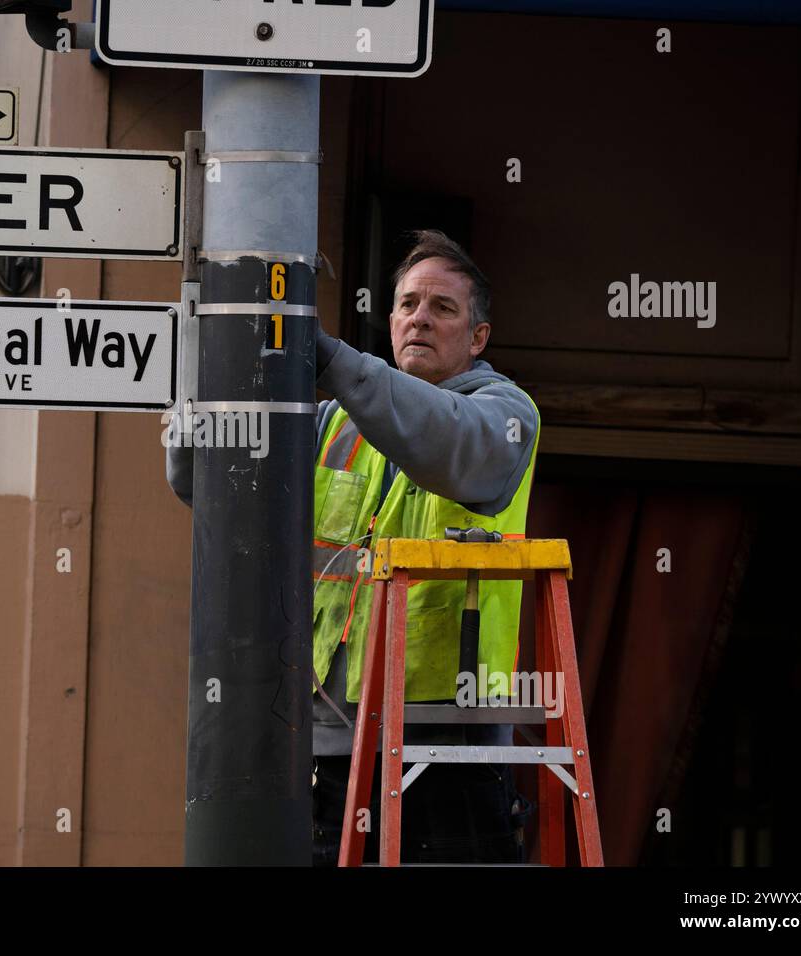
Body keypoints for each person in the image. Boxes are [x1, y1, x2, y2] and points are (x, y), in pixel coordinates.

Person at [166, 230, 539, 864]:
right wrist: (208, 366)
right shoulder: (333, 422)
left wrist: (332, 360)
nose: (419, 318)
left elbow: (444, 441)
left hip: (446, 741)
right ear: (390, 319)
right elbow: (214, 487)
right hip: (329, 745)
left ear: (478, 338)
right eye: (407, 304)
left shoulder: (505, 413)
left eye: (442, 308)